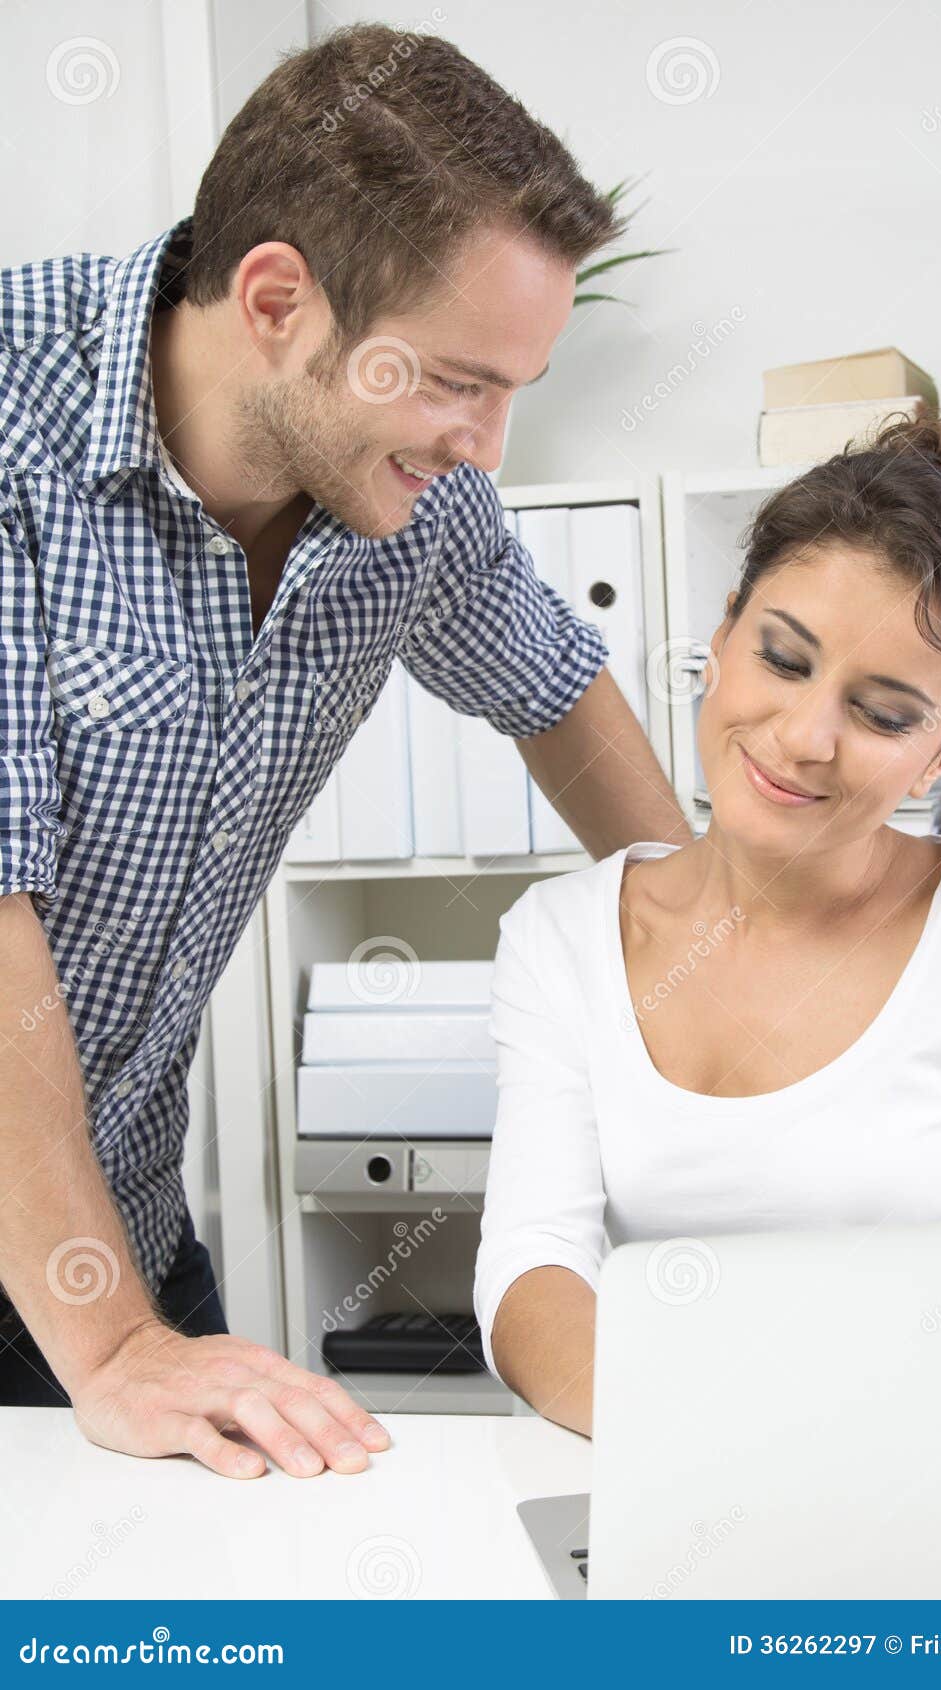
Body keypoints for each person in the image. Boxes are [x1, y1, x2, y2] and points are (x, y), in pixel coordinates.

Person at [0, 24, 688, 1472]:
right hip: (84, 1297)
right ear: (274, 300)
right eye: (455, 381)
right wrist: (112, 1349)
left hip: (115, 1222)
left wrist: (722, 965)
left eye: (514, 387)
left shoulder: (407, 491)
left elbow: (555, 691)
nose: (487, 445)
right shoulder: (15, 427)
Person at [474, 410, 941, 1437]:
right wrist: (715, 1455)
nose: (802, 738)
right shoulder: (558, 936)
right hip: (660, 1472)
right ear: (720, 639)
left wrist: (822, 1461)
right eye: (784, 659)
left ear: (938, 755)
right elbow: (534, 1269)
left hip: (937, 1481)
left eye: (883, 714)